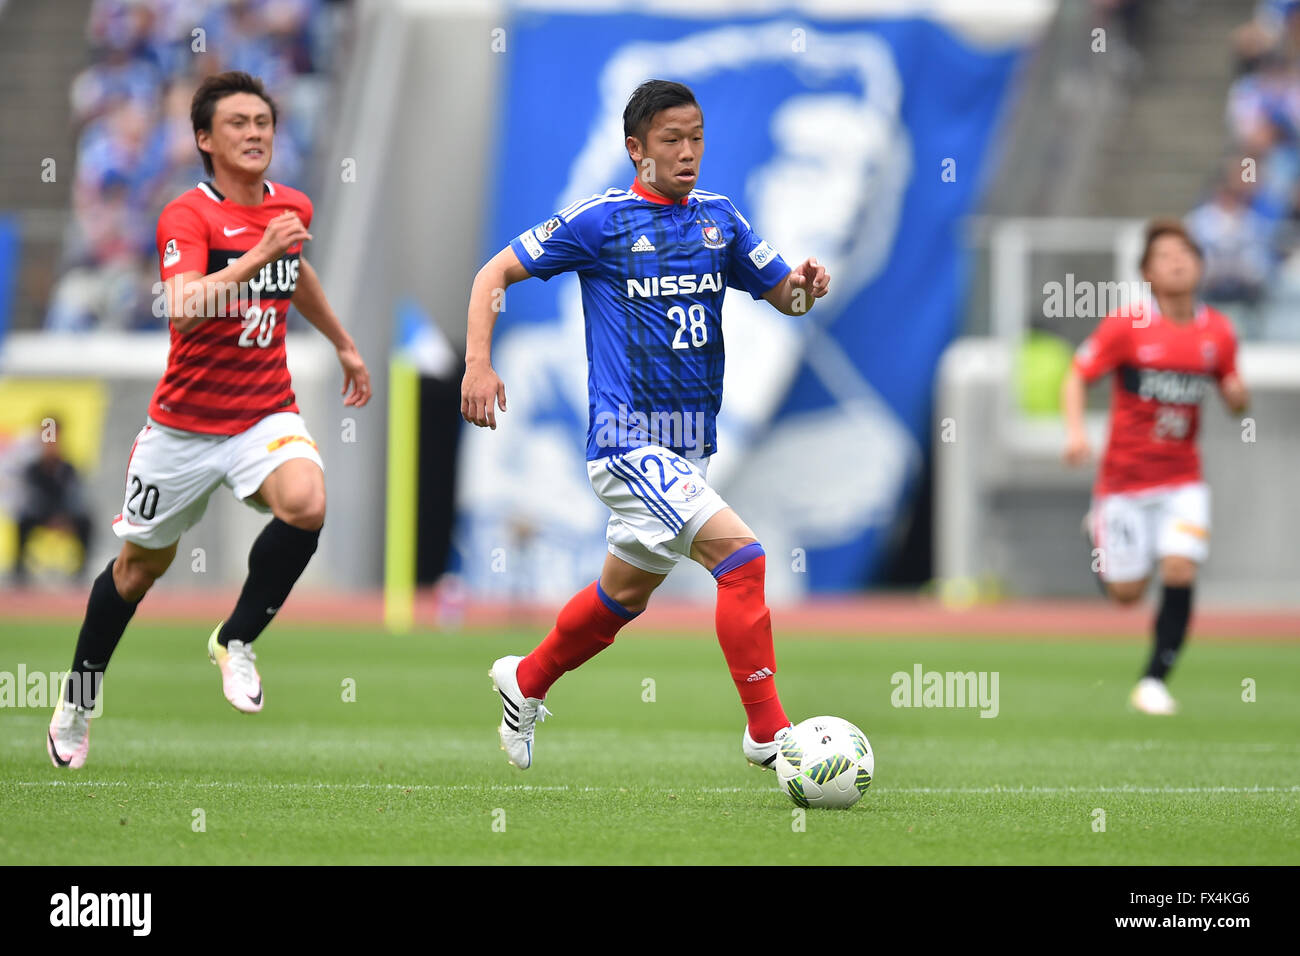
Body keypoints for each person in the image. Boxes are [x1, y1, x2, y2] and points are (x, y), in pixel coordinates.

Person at [461, 79, 830, 770]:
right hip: (629, 442)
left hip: (691, 451)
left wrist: (806, 286)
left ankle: (526, 679)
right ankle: (768, 733)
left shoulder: (721, 221)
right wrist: (478, 363)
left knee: (620, 598)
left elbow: (788, 298)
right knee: (744, 560)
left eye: (696, 139)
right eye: (671, 141)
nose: (688, 153)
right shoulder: (599, 222)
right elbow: (493, 275)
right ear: (636, 149)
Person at [47, 71, 371, 769]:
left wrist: (341, 342)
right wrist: (255, 255)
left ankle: (237, 638)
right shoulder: (187, 217)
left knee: (307, 502)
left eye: (263, 121)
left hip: (262, 414)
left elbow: (297, 269)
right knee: (137, 571)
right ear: (204, 139)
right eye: (238, 123)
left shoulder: (291, 204)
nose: (255, 133)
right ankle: (77, 697)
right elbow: (184, 305)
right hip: (184, 431)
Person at [1062, 219, 1249, 715]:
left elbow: (1234, 394)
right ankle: (1097, 531)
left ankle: (1154, 680)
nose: (1178, 261)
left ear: (1201, 264)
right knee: (1126, 593)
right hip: (1124, 481)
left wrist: (1237, 398)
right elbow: (1077, 376)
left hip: (1183, 478)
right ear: (1147, 273)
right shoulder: (1127, 326)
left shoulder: (1219, 332)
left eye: (1186, 252)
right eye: (1165, 255)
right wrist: (1077, 432)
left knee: (1180, 566)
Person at [12, 417, 93, 584]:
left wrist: (64, 517)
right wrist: (50, 517)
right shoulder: (33, 469)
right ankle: (19, 571)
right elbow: (31, 499)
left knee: (86, 522)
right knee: (22, 521)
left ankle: (81, 570)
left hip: (65, 516)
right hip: (41, 516)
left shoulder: (67, 469)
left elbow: (75, 497)